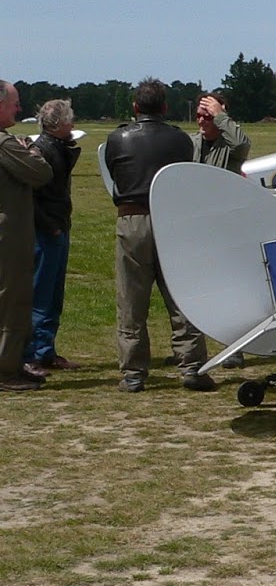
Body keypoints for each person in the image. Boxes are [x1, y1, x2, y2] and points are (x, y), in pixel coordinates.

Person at [103, 79, 215, 393]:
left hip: (132, 219)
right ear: (165, 108)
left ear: (135, 107)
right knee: (181, 296)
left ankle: (134, 373)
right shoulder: (180, 140)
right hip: (172, 220)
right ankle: (192, 366)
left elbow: (114, 173)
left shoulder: (118, 138)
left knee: (131, 300)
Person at [0, 81, 53, 391]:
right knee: (13, 299)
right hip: (10, 235)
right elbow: (41, 173)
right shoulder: (6, 145)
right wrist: (30, 147)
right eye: (15, 103)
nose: (19, 109)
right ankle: (6, 369)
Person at [24, 99, 81, 377]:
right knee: (40, 294)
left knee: (54, 294)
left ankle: (45, 351)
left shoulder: (57, 147)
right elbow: (31, 197)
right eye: (69, 120)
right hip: (47, 231)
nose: (72, 125)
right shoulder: (42, 150)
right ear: (59, 124)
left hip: (58, 226)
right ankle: (32, 354)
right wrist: (50, 225)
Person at [191, 92, 250, 172]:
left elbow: (241, 145)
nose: (201, 121)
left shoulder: (229, 145)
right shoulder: (190, 142)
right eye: (198, 116)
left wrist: (220, 115)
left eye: (207, 117)